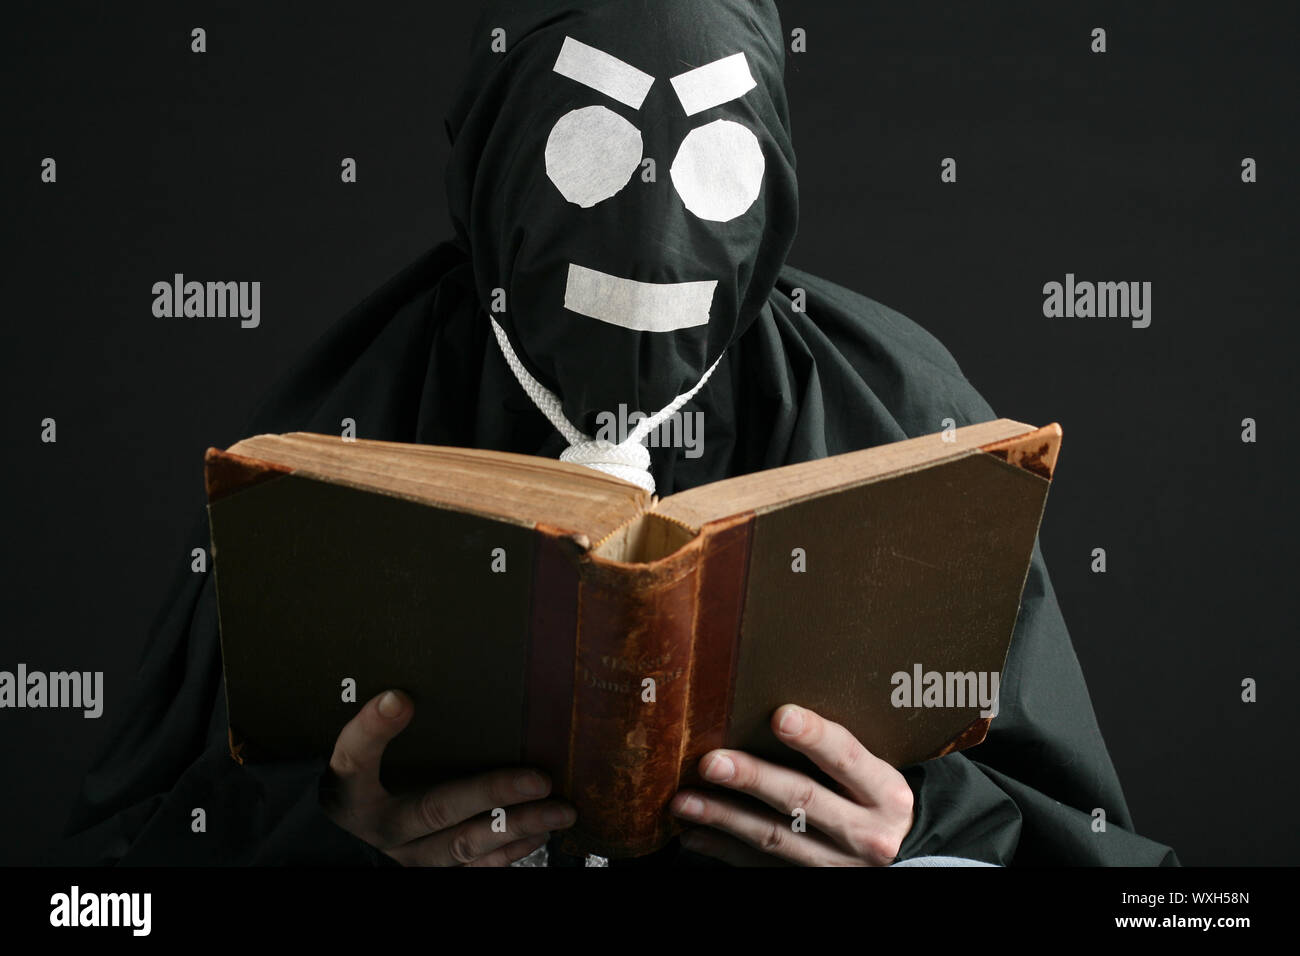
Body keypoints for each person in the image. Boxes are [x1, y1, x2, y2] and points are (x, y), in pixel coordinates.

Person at [59, 0, 1177, 867]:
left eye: (715, 165)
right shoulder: (331, 430)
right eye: (587, 147)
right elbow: (95, 893)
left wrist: (922, 836)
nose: (652, 213)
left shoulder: (898, 407)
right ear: (497, 155)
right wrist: (329, 826)